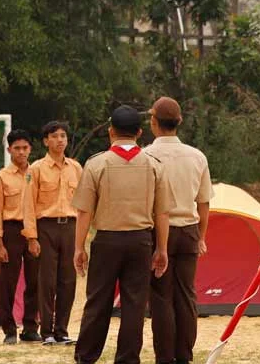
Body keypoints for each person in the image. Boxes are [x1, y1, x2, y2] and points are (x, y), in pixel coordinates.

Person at [72, 106, 170, 364]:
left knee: (97, 301)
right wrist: (162, 248)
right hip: (140, 241)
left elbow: (84, 212)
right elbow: (162, 214)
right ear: (139, 132)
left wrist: (79, 247)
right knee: (134, 304)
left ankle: (86, 356)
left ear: (110, 132)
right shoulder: (153, 165)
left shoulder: (96, 164)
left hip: (106, 240)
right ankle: (127, 359)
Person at [143, 96, 213, 360]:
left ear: (153, 122)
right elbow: (203, 203)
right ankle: (185, 353)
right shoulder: (197, 156)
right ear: (179, 122)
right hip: (189, 230)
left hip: (156, 232)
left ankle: (165, 356)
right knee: (186, 295)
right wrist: (201, 237)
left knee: (161, 296)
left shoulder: (146, 156)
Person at [23, 121, 83, 346]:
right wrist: (31, 236)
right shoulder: (36, 168)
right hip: (45, 227)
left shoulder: (76, 168)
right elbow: (28, 204)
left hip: (70, 227)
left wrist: (82, 235)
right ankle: (46, 330)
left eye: (63, 136)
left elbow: (84, 203)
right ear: (45, 141)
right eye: (55, 136)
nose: (60, 140)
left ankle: (62, 330)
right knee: (47, 280)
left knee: (68, 280)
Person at [0, 130, 41, 345]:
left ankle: (31, 327)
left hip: (34, 232)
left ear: (31, 149)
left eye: (25, 148)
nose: (21, 152)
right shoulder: (1, 177)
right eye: (17, 148)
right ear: (9, 149)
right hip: (10, 231)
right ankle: (9, 329)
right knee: (7, 284)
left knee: (35, 281)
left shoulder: (37, 172)